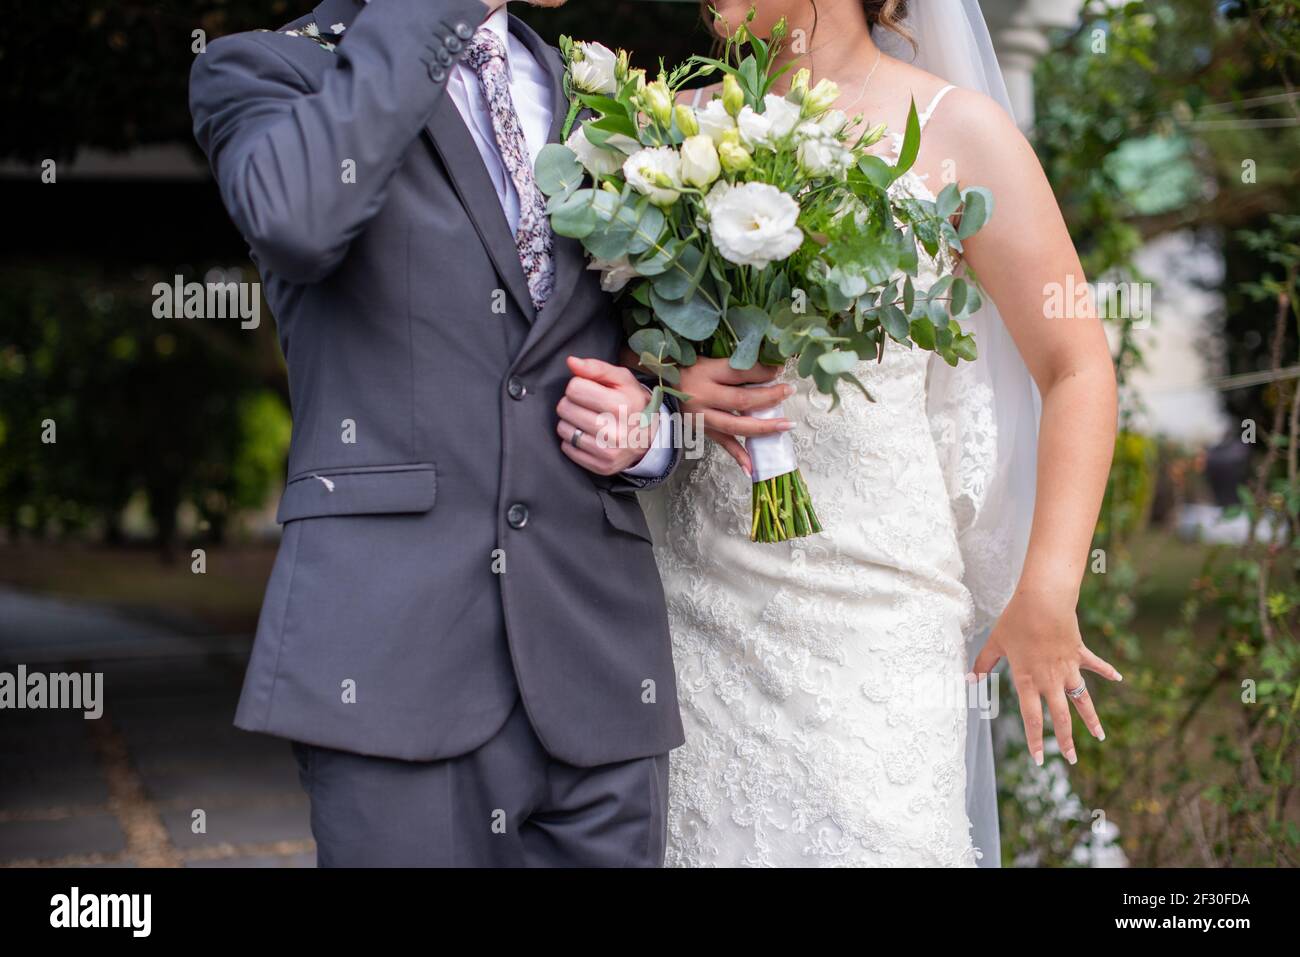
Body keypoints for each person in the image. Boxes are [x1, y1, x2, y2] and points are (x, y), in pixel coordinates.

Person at [189, 0, 684, 867]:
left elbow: (657, 343)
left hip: (601, 673)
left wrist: (657, 431)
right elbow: (297, 221)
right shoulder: (269, 71)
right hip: (392, 666)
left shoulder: (610, 99)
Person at [646, 0, 1122, 866]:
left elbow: (1077, 365)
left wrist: (1048, 586)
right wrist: (673, 388)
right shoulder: (673, 134)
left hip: (878, 622)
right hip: (697, 613)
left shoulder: (958, 132)